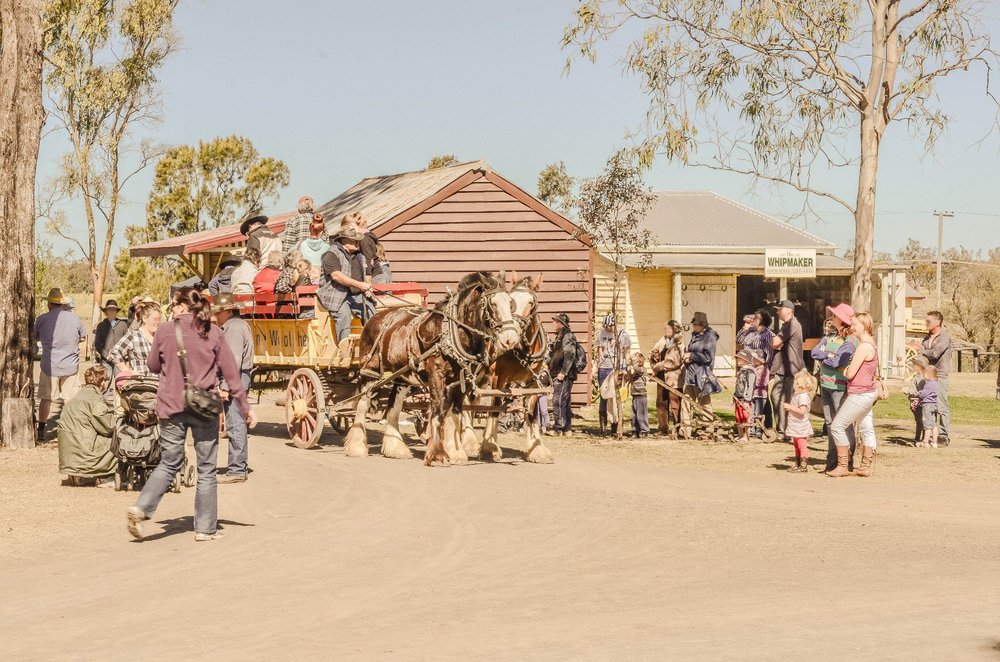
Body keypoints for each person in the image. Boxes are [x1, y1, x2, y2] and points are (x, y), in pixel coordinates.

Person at [126, 288, 257, 542]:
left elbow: (153, 366)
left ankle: (142, 508)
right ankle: (205, 529)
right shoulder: (214, 332)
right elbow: (231, 374)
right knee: (207, 468)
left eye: (173, 304)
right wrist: (246, 408)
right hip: (203, 407)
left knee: (169, 462)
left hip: (170, 404)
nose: (171, 309)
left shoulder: (164, 330)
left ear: (182, 306)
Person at [828, 311, 879, 478]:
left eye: (855, 324)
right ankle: (865, 465)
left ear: (863, 326)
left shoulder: (863, 347)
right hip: (868, 392)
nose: (852, 327)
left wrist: (847, 368)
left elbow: (850, 373)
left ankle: (843, 465)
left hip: (859, 393)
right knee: (866, 427)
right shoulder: (872, 344)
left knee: (837, 426)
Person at [34, 288, 87, 441]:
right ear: (62, 304)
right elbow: (83, 337)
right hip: (70, 365)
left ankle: (41, 430)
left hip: (49, 365)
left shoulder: (42, 319)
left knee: (46, 399)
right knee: (70, 399)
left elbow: (35, 337)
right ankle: (71, 431)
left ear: (49, 304)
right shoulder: (74, 319)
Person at [212, 293, 255, 483]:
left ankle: (237, 469)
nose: (216, 315)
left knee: (235, 423)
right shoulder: (235, 326)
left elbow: (233, 361)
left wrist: (225, 386)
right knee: (235, 422)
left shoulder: (234, 329)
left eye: (219, 311)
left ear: (227, 311)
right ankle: (237, 466)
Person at [811, 303, 857, 473]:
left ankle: (846, 462)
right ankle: (831, 461)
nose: (832, 317)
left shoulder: (850, 340)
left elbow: (839, 361)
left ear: (842, 320)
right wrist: (828, 356)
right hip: (825, 384)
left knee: (843, 424)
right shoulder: (830, 336)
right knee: (830, 423)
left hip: (840, 386)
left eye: (835, 315)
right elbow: (815, 352)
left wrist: (827, 357)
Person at [57, 365, 117, 487]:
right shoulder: (95, 399)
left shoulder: (77, 396)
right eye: (107, 379)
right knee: (118, 440)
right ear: (102, 382)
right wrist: (119, 419)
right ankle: (105, 478)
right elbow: (107, 427)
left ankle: (77, 473)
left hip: (70, 454)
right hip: (85, 451)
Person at [318, 226, 372, 342]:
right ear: (345, 241)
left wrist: (367, 287)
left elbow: (364, 275)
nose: (358, 243)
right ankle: (345, 348)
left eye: (358, 241)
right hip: (335, 295)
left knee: (371, 310)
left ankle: (372, 345)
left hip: (356, 294)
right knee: (344, 315)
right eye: (355, 241)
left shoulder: (359, 255)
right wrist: (360, 285)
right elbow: (336, 276)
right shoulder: (331, 254)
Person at [681, 312, 720, 438]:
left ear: (702, 325)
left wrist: (691, 356)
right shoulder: (695, 335)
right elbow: (692, 352)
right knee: (686, 401)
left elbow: (708, 358)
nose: (693, 327)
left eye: (695, 325)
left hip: (702, 375)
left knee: (704, 403)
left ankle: (708, 430)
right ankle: (685, 430)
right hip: (691, 374)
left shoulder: (710, 336)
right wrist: (687, 358)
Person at [769, 300, 804, 436]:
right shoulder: (787, 325)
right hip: (782, 369)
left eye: (780, 309)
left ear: (789, 310)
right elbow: (776, 343)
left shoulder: (792, 325)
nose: (777, 312)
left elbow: (775, 343)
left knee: (787, 400)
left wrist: (776, 342)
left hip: (792, 370)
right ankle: (781, 429)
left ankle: (787, 431)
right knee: (776, 396)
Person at [596, 313, 632, 435]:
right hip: (603, 367)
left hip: (616, 367)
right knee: (604, 395)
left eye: (609, 327)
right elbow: (599, 350)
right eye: (606, 327)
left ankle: (615, 424)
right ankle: (602, 426)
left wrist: (626, 367)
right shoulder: (602, 333)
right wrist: (597, 364)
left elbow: (626, 352)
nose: (607, 329)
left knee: (616, 397)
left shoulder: (623, 334)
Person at [920, 311, 952, 443]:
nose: (926, 323)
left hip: (940, 375)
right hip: (927, 376)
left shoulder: (944, 337)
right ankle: (929, 433)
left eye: (929, 321)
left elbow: (935, 353)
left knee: (941, 406)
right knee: (928, 404)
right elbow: (923, 357)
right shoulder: (926, 339)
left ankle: (943, 436)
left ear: (937, 322)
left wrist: (921, 351)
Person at [650, 320, 685, 437]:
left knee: (675, 402)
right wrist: (653, 357)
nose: (666, 331)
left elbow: (673, 362)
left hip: (674, 377)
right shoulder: (663, 340)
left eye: (668, 329)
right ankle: (663, 429)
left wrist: (657, 366)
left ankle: (678, 429)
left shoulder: (679, 343)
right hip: (661, 376)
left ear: (674, 330)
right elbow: (652, 352)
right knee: (661, 403)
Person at [109, 302, 163, 375]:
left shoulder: (161, 338)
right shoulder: (133, 336)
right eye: (155, 319)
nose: (158, 322)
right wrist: (128, 371)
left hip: (158, 383)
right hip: (141, 383)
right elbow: (114, 353)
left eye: (159, 319)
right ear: (144, 318)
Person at [548, 313, 579, 437]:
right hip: (560, 373)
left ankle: (558, 428)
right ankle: (567, 429)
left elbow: (570, 356)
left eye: (555, 321)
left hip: (564, 375)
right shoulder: (560, 336)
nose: (553, 323)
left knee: (558, 400)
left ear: (561, 323)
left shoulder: (568, 336)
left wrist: (563, 372)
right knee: (564, 401)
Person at [783, 369, 817, 472]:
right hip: (795, 424)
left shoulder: (803, 396)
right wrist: (789, 408)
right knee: (796, 445)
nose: (795, 385)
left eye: (797, 383)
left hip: (800, 426)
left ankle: (803, 465)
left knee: (802, 445)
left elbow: (802, 411)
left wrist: (790, 406)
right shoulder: (798, 395)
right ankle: (797, 463)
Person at [344, 212, 392, 284]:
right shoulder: (367, 236)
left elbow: (368, 259)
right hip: (381, 271)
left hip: (377, 274)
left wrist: (367, 279)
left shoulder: (363, 239)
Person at [93, 299, 127, 392]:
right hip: (106, 360)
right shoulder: (101, 326)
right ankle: (101, 404)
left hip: (120, 360)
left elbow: (127, 342)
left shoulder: (123, 325)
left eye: (114, 310)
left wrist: (123, 354)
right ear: (106, 312)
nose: (112, 312)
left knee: (121, 384)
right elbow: (97, 343)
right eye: (109, 310)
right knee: (104, 383)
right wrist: (106, 354)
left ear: (116, 311)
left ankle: (120, 405)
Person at [905, 355, 930, 443]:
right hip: (916, 402)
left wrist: (908, 391)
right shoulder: (917, 377)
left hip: (919, 402)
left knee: (921, 421)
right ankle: (919, 438)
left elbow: (920, 392)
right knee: (919, 421)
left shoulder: (923, 378)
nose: (913, 366)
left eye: (915, 364)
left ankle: (921, 439)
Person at [915, 365, 941, 448]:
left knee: (926, 425)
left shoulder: (930, 384)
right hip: (934, 405)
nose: (923, 375)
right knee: (933, 424)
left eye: (924, 374)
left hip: (928, 405)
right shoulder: (936, 384)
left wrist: (917, 393)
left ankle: (925, 442)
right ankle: (934, 442)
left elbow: (923, 394)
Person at [733, 349, 756, 443]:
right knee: (738, 418)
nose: (738, 360)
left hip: (745, 399)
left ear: (746, 360)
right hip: (738, 398)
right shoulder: (741, 371)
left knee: (746, 418)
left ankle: (746, 436)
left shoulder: (750, 372)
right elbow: (738, 385)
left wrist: (747, 399)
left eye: (740, 359)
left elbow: (750, 386)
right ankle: (740, 435)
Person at [628, 352, 650, 438]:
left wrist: (632, 362)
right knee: (634, 415)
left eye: (635, 359)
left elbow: (637, 369)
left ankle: (644, 430)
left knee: (641, 414)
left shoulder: (642, 369)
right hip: (635, 395)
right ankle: (635, 429)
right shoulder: (635, 372)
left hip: (641, 395)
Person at [750, 349, 770, 438]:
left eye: (755, 358)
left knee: (758, 413)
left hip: (761, 395)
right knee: (752, 412)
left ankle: (759, 429)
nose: (753, 360)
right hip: (753, 394)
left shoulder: (765, 370)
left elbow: (765, 382)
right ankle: (751, 428)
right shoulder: (753, 368)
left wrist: (755, 382)